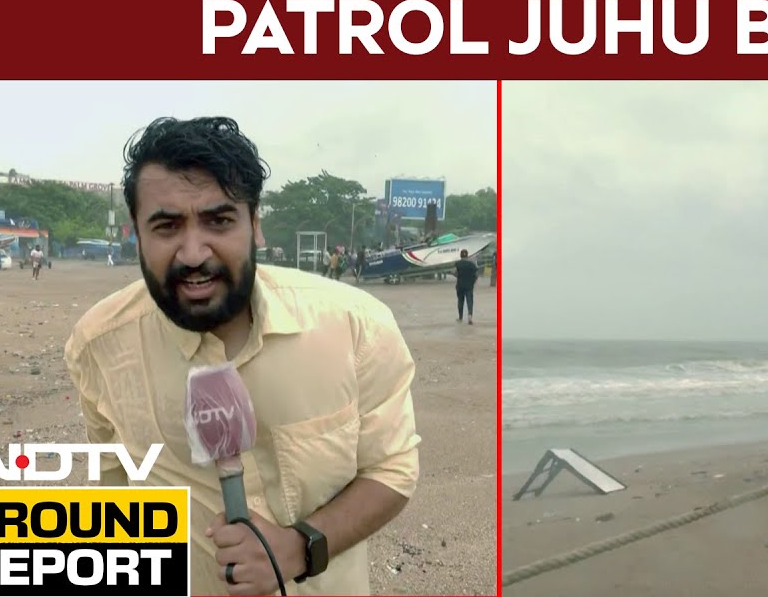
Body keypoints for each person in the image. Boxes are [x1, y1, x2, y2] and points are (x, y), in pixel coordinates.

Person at [63, 117, 421, 596]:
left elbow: (393, 468)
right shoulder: (99, 347)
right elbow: (116, 495)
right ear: (136, 234)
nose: (193, 253)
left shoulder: (355, 326)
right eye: (167, 226)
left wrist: (298, 547)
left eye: (219, 220)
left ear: (254, 224)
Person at [453, 249, 478, 324]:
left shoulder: (457, 264)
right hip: (469, 286)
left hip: (460, 285)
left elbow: (454, 272)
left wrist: (458, 276)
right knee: (470, 301)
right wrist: (473, 282)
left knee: (460, 301)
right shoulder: (472, 264)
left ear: (460, 255)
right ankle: (470, 316)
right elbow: (476, 275)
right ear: (467, 255)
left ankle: (460, 317)